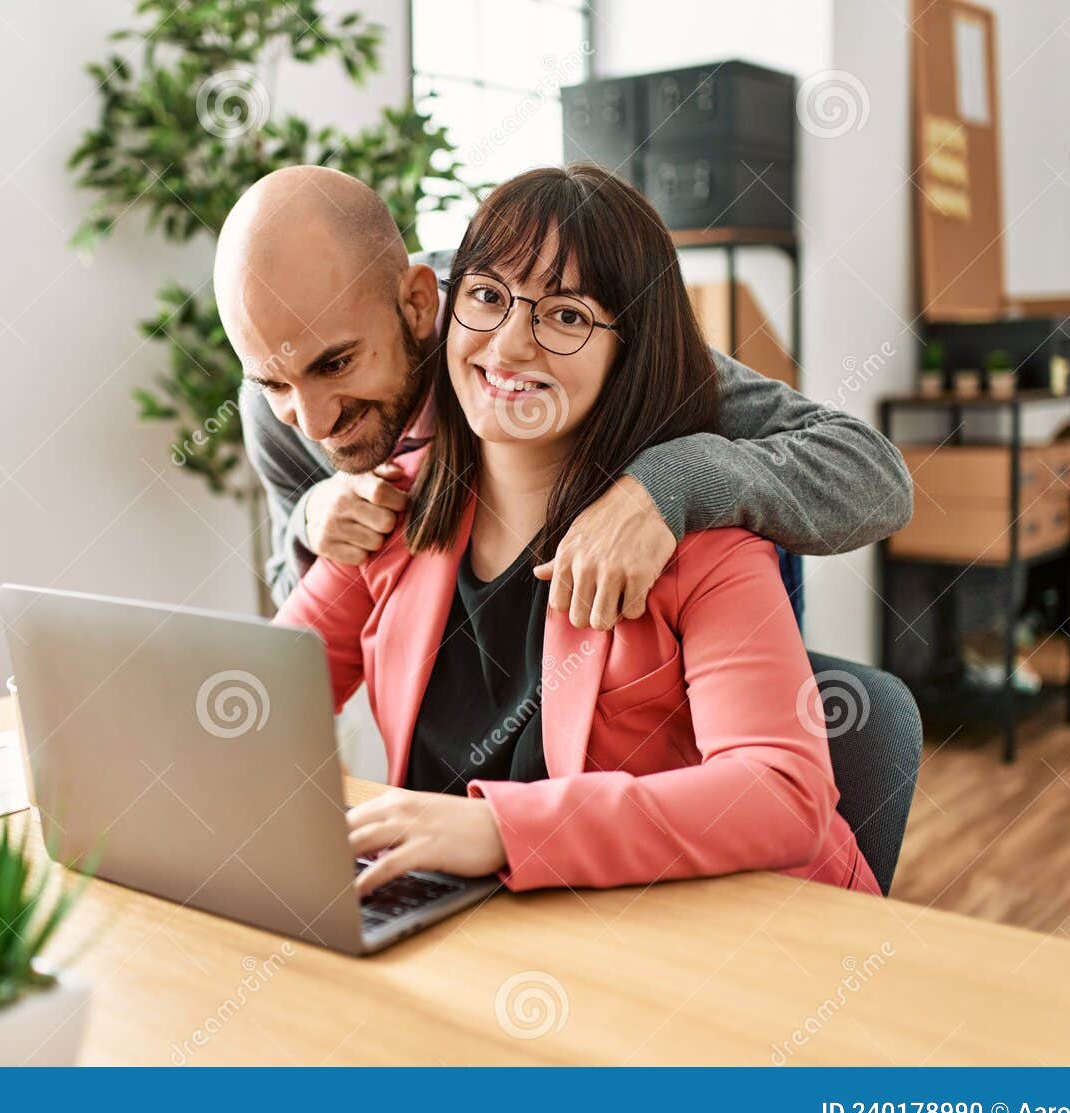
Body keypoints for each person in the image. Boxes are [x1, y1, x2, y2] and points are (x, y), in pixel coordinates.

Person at [263, 164, 881, 898]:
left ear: (630, 348)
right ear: (448, 311)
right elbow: (258, 695)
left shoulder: (696, 538)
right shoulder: (394, 506)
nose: (508, 346)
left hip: (732, 935)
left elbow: (782, 795)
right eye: (486, 296)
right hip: (488, 931)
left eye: (566, 316)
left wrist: (500, 830)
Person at [215, 165, 912, 628]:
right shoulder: (282, 409)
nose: (313, 421)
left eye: (338, 364)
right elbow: (297, 611)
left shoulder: (565, 345)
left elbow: (875, 477)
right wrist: (308, 524)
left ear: (421, 303)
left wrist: (672, 479)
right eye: (273, 382)